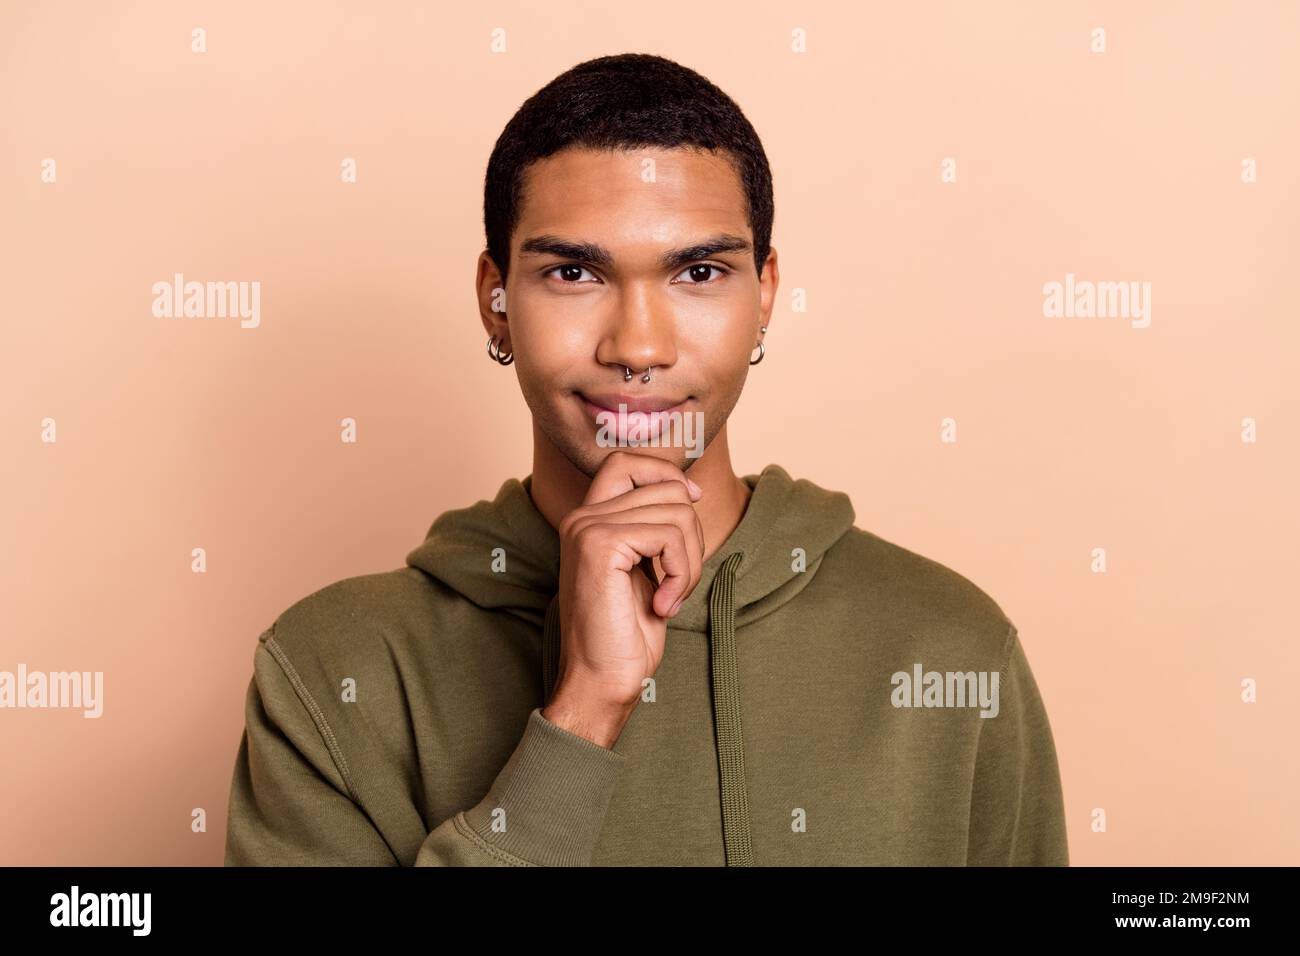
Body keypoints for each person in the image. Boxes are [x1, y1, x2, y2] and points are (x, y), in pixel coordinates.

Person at [223, 52, 1068, 867]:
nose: (638, 346)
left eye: (698, 272)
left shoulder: (950, 647)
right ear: (495, 301)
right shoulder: (333, 669)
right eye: (572, 273)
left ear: (765, 293)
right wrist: (585, 709)